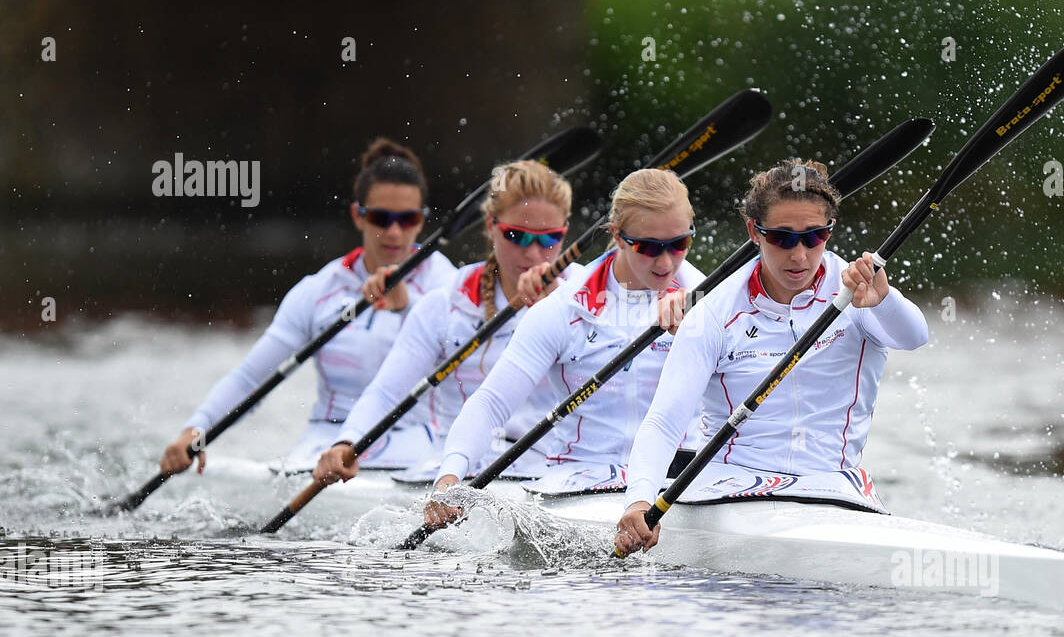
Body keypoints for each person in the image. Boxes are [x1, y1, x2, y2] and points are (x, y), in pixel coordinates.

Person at [614, 158, 929, 555]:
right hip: (730, 492)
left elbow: (915, 337)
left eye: (814, 237)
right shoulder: (714, 310)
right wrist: (640, 500)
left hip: (832, 489)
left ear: (829, 232)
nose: (799, 255)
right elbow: (664, 421)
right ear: (754, 232)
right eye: (782, 238)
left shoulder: (858, 292)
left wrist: (884, 301)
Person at [422, 168, 705, 528]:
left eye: (679, 244)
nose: (666, 262)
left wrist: (702, 320)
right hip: (581, 484)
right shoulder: (564, 308)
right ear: (617, 236)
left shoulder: (712, 300)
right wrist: (450, 477)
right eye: (648, 247)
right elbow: (491, 403)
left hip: (677, 480)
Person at [159, 137, 456, 477]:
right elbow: (250, 378)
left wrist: (408, 310)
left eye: (408, 219)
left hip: (416, 441)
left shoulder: (446, 284)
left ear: (422, 221)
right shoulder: (317, 292)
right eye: (380, 217)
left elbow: (473, 368)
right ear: (357, 217)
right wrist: (196, 429)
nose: (394, 231)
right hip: (325, 441)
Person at [310, 159, 574, 486]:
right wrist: (347, 442)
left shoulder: (585, 299)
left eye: (549, 239)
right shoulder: (445, 303)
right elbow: (386, 393)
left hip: (555, 473)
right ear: (491, 226)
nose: (535, 254)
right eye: (517, 236)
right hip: (453, 470)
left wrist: (561, 308)